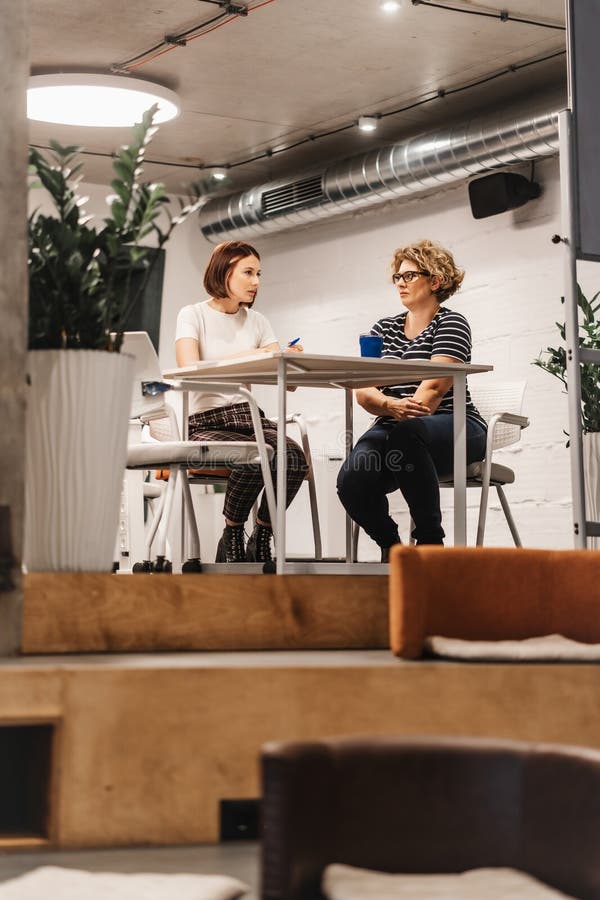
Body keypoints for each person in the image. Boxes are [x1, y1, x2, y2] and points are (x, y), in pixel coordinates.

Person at [337, 239, 487, 560]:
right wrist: (389, 405)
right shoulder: (383, 329)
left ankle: (430, 544)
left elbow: (430, 395)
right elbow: (363, 390)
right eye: (398, 277)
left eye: (409, 276)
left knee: (407, 434)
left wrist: (389, 403)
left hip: (457, 428)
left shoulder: (451, 323)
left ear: (435, 281)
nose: (400, 283)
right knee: (353, 479)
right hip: (396, 428)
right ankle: (393, 550)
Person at [175, 240, 308, 563]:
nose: (256, 281)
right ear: (224, 273)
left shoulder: (258, 321)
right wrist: (255, 354)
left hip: (247, 418)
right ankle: (232, 532)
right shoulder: (192, 314)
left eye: (258, 274)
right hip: (204, 421)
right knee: (254, 455)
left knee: (294, 458)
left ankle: (262, 533)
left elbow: (288, 385)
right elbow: (188, 368)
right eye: (248, 273)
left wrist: (289, 360)